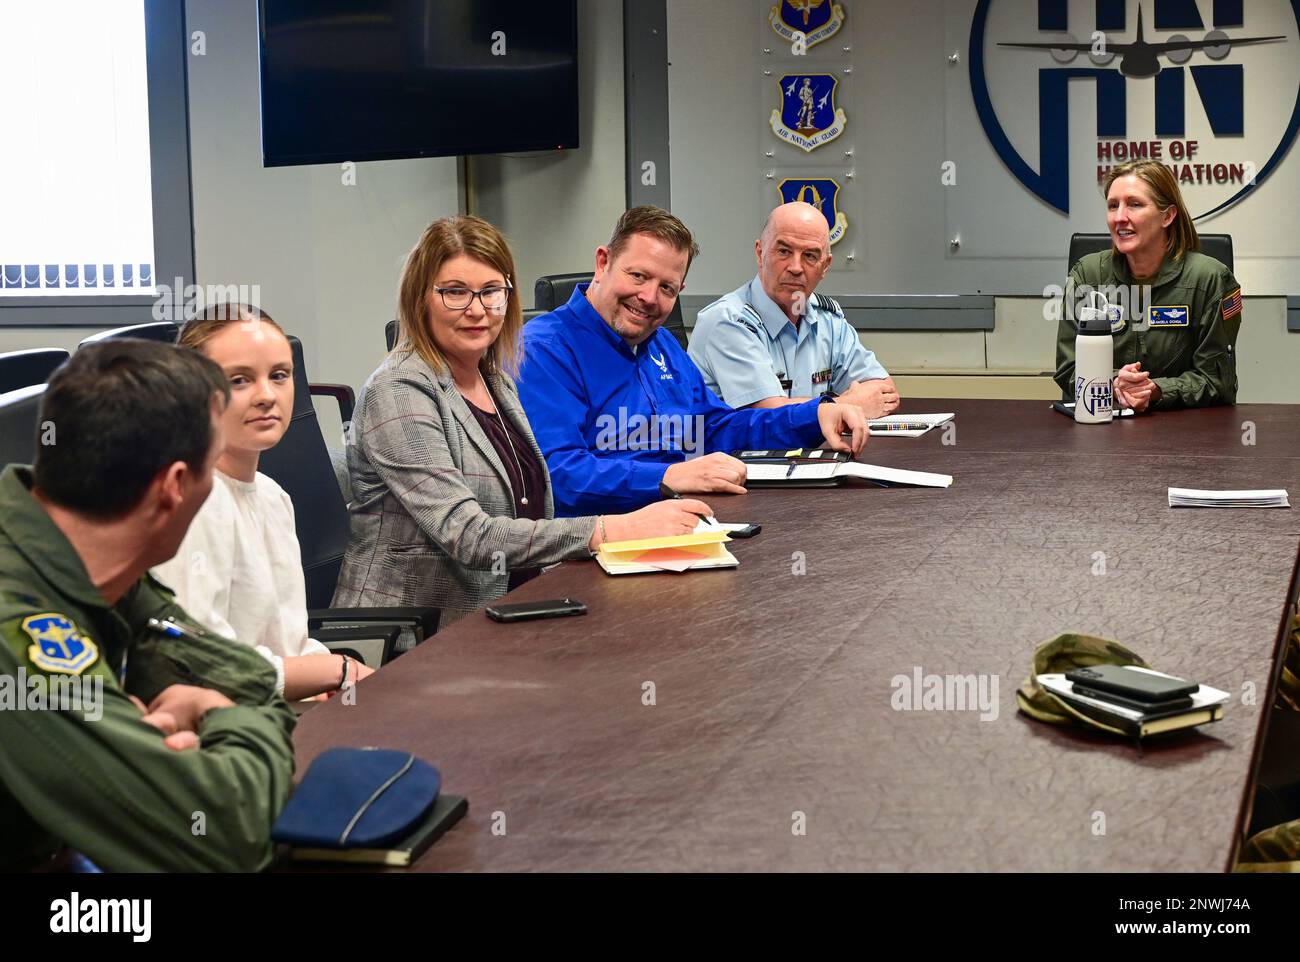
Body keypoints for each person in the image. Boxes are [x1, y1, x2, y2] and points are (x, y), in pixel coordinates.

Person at [0, 340, 295, 872]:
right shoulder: (19, 629)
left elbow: (251, 681)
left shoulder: (100, 564)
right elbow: (229, 831)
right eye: (213, 469)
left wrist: (198, 724)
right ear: (174, 488)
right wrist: (217, 714)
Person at [333, 215, 711, 625]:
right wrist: (613, 531)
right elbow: (468, 535)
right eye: (455, 292)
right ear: (419, 297)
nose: (477, 310)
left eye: (492, 292)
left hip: (518, 607)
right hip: (419, 634)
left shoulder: (494, 379)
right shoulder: (399, 390)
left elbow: (532, 511)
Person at [516, 205, 868, 517]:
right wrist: (668, 476)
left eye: (667, 287)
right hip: (596, 547)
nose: (649, 297)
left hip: (687, 520)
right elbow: (557, 475)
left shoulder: (662, 344)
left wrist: (814, 415)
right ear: (603, 262)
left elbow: (715, 429)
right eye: (638, 276)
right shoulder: (544, 348)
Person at [152, 304, 374, 700]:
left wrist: (333, 670)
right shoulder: (190, 506)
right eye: (239, 380)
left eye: (279, 376)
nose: (266, 396)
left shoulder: (272, 495)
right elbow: (199, 665)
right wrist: (331, 670)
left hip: (278, 711)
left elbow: (288, 643)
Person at [1054, 159, 1242, 411]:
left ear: (1168, 215)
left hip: (1187, 433)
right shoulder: (1086, 275)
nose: (1119, 217)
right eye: (1112, 206)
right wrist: (1111, 384)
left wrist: (1156, 390)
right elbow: (1069, 368)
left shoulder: (1211, 279)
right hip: (1103, 425)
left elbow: (1218, 381)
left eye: (1134, 204)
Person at [690, 201, 899, 417]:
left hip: (807, 450)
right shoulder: (727, 321)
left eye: (810, 255)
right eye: (784, 251)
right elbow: (769, 416)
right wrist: (846, 405)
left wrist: (842, 405)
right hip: (734, 450)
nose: (796, 268)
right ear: (760, 253)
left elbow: (885, 391)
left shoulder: (827, 319)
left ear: (825, 266)